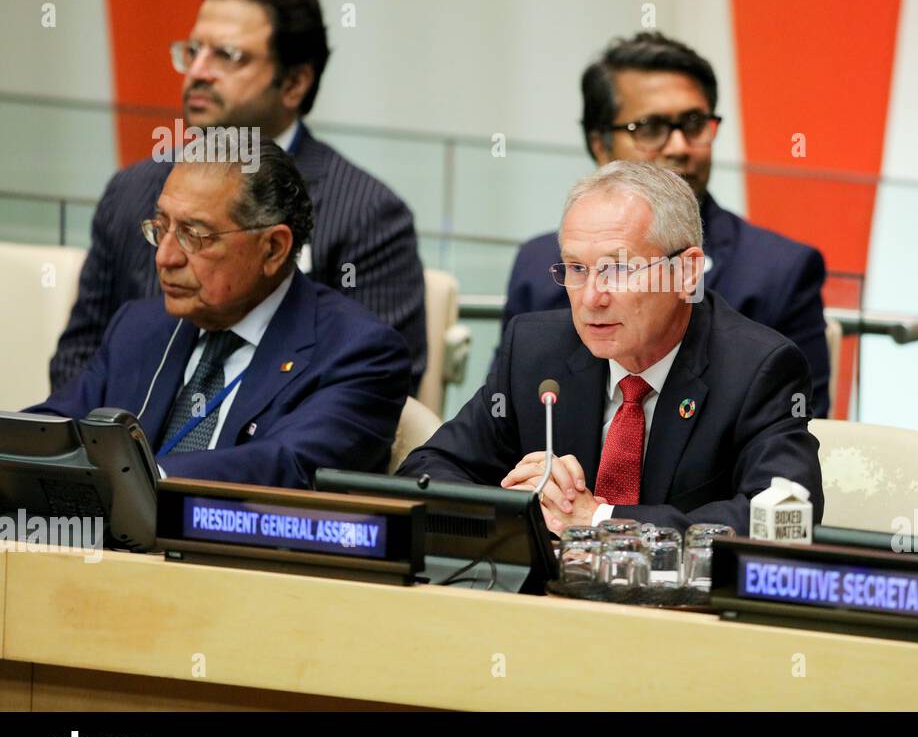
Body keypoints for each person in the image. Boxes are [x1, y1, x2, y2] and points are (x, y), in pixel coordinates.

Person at [50, 0, 427, 394]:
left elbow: (376, 385)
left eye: (228, 56)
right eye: (193, 51)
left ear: (295, 83)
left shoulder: (366, 212)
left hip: (268, 446)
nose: (199, 71)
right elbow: (77, 359)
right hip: (129, 444)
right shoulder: (133, 188)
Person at [400, 160, 823, 534]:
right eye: (577, 269)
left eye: (618, 269)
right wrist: (520, 503)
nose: (591, 298)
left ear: (688, 272)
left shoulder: (759, 369)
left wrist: (599, 522)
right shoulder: (534, 350)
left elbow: (783, 518)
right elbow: (425, 472)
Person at [29, 141, 409, 489]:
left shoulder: (359, 352)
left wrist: (145, 484)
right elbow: (57, 430)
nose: (165, 257)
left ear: (273, 248)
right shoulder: (140, 327)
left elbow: (288, 467)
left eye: (194, 235)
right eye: (160, 228)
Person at [502, 32, 831, 416]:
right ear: (600, 145)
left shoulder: (778, 270)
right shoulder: (538, 265)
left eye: (693, 123)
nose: (678, 147)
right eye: (650, 128)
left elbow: (803, 429)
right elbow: (503, 423)